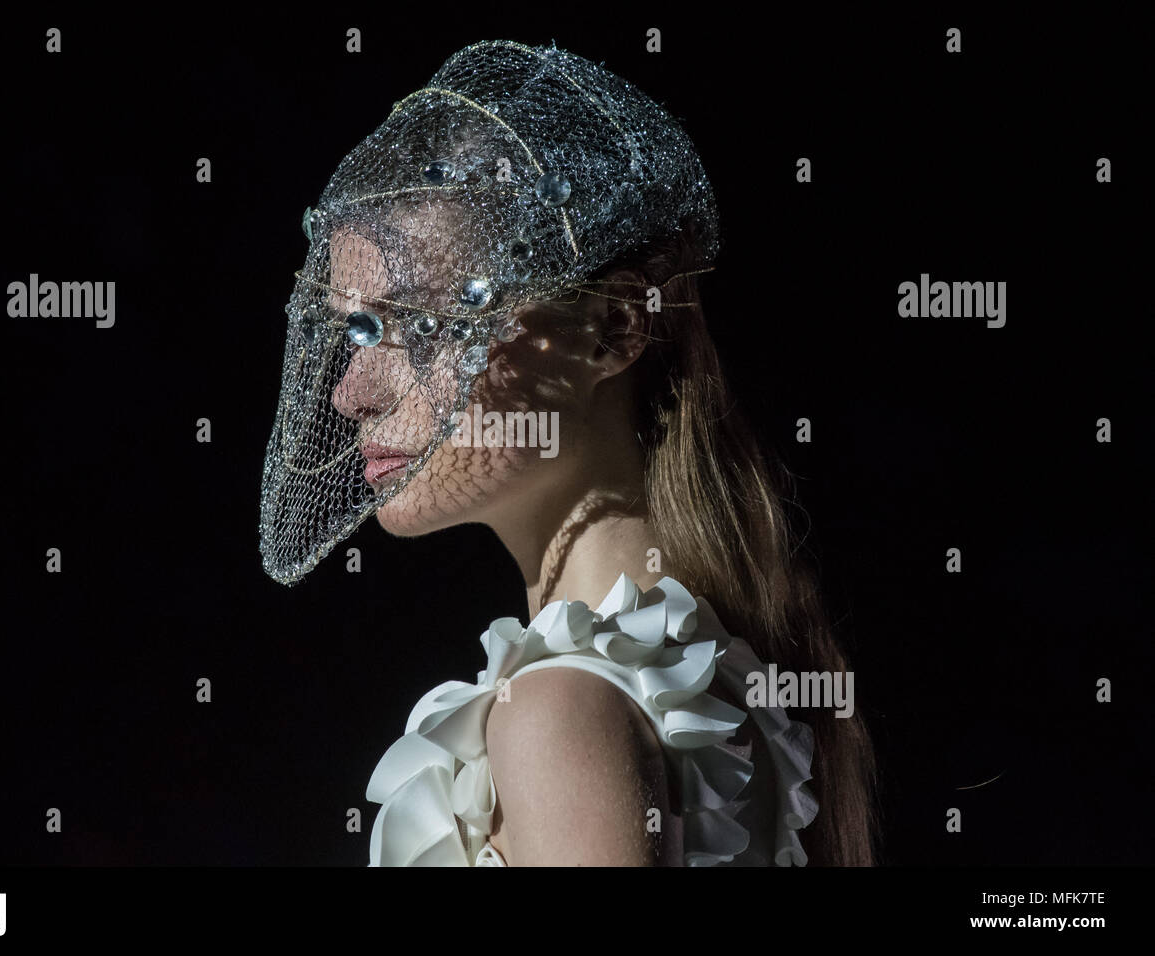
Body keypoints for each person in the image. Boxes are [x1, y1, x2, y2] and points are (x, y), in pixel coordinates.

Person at [261, 40, 879, 866]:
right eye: (356, 331)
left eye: (423, 326)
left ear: (614, 329)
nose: (350, 390)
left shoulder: (561, 711)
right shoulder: (724, 697)